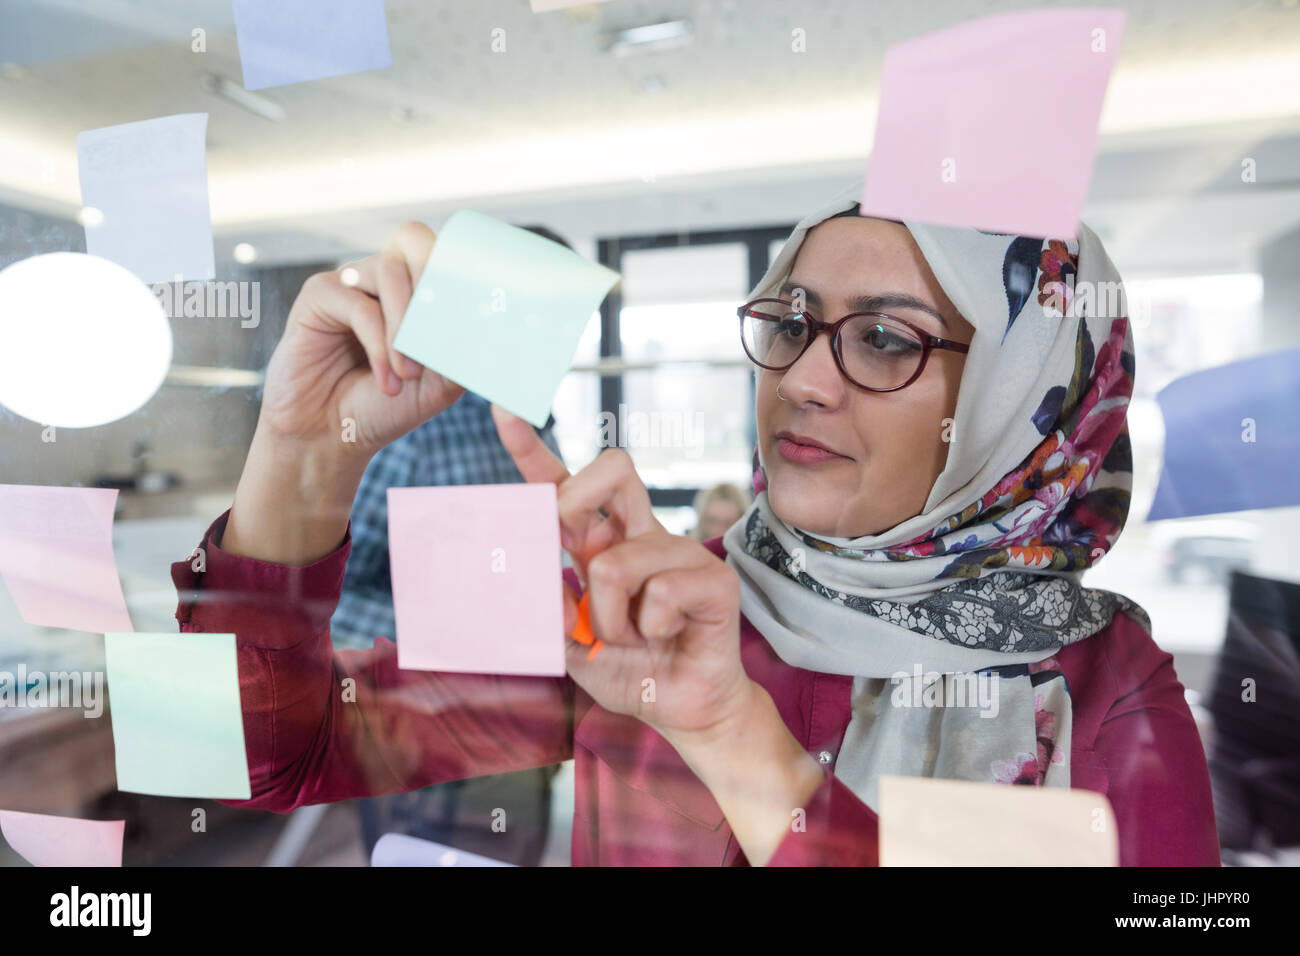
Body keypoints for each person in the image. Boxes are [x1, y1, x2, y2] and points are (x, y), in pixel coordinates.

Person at [171, 183, 1220, 865]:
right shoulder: (648, 605)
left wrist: (732, 737)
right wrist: (306, 452)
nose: (805, 379)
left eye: (887, 339)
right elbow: (240, 751)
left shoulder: (1102, 679)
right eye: (791, 320)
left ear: (1018, 400)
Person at [330, 226, 571, 866]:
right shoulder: (414, 421)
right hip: (429, 726)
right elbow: (336, 581)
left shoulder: (531, 420)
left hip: (517, 714)